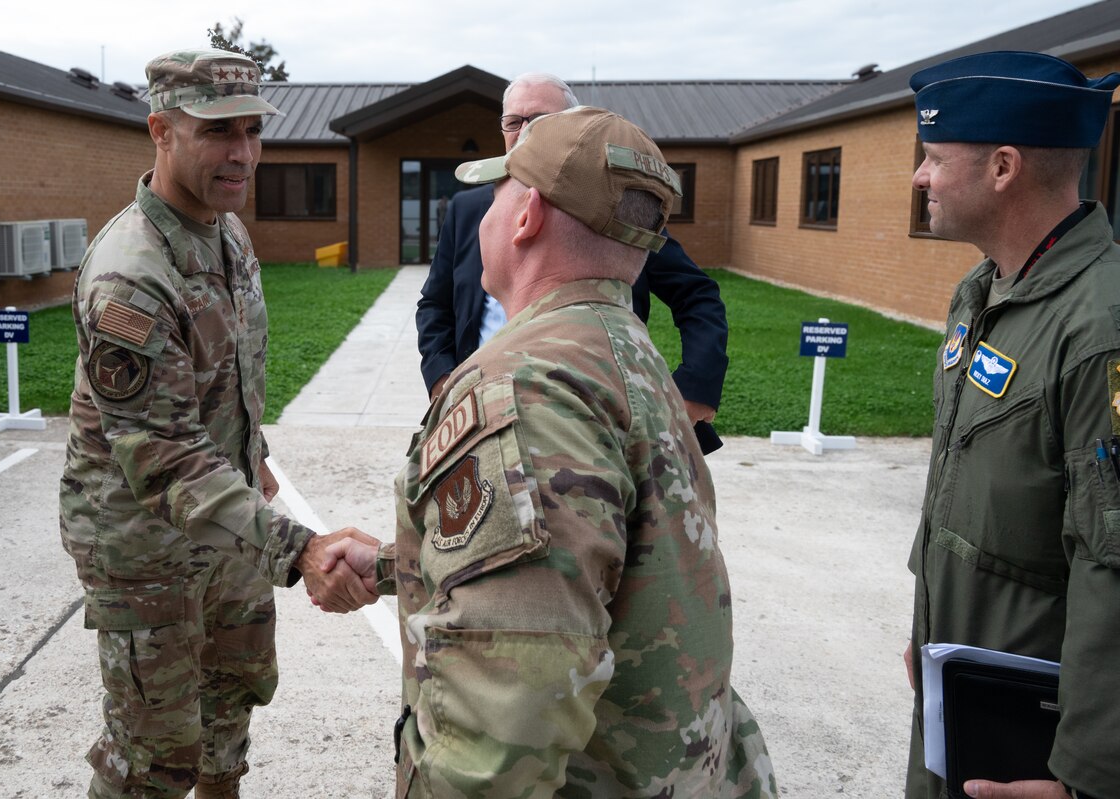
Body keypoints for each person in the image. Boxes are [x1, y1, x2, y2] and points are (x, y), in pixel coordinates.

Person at [323, 106, 776, 797]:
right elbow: (589, 551)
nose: (484, 213)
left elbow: (502, 732)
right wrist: (397, 564)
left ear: (526, 215)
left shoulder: (525, 386)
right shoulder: (624, 352)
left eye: (497, 193)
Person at [59, 48, 374, 799]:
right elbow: (163, 457)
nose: (242, 153)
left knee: (229, 711)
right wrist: (301, 550)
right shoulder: (132, 274)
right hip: (147, 549)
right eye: (217, 131)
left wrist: (253, 455)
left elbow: (228, 381)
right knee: (154, 758)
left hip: (229, 523)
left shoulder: (226, 232)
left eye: (252, 130)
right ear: (160, 131)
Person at [904, 51, 1120, 799]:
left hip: (1042, 740)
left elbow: (1111, 559)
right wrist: (928, 626)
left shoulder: (1101, 327)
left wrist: (1087, 775)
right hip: (965, 684)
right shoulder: (984, 290)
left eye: (934, 158)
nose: (920, 178)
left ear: (1003, 168)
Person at [416, 72, 729, 453]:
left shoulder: (611, 210)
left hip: (591, 415)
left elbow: (697, 295)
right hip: (481, 404)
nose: (524, 132)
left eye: (541, 120)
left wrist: (696, 388)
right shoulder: (469, 208)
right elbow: (435, 303)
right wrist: (442, 380)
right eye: (513, 122)